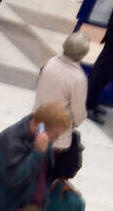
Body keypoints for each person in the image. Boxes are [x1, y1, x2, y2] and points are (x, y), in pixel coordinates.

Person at [34, 33, 89, 180]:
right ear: (83, 53)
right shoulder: (78, 79)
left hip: (37, 123)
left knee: (34, 164)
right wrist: (74, 123)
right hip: (56, 133)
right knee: (45, 173)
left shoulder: (51, 63)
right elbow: (79, 114)